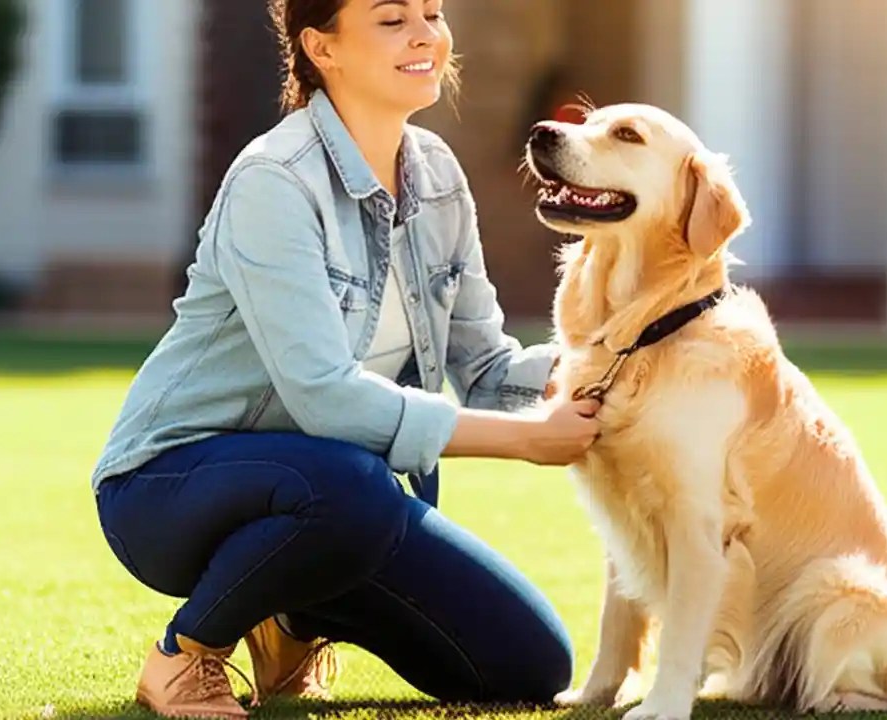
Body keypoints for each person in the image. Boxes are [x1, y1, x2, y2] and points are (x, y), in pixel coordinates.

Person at [89, 0, 602, 717]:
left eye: (432, 11)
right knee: (353, 485)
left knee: (529, 663)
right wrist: (528, 442)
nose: (426, 33)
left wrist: (611, 369)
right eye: (392, 19)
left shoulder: (439, 177)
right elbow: (326, 399)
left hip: (342, 501)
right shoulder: (275, 180)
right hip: (169, 489)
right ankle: (187, 656)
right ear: (320, 47)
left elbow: (486, 367)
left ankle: (290, 614)